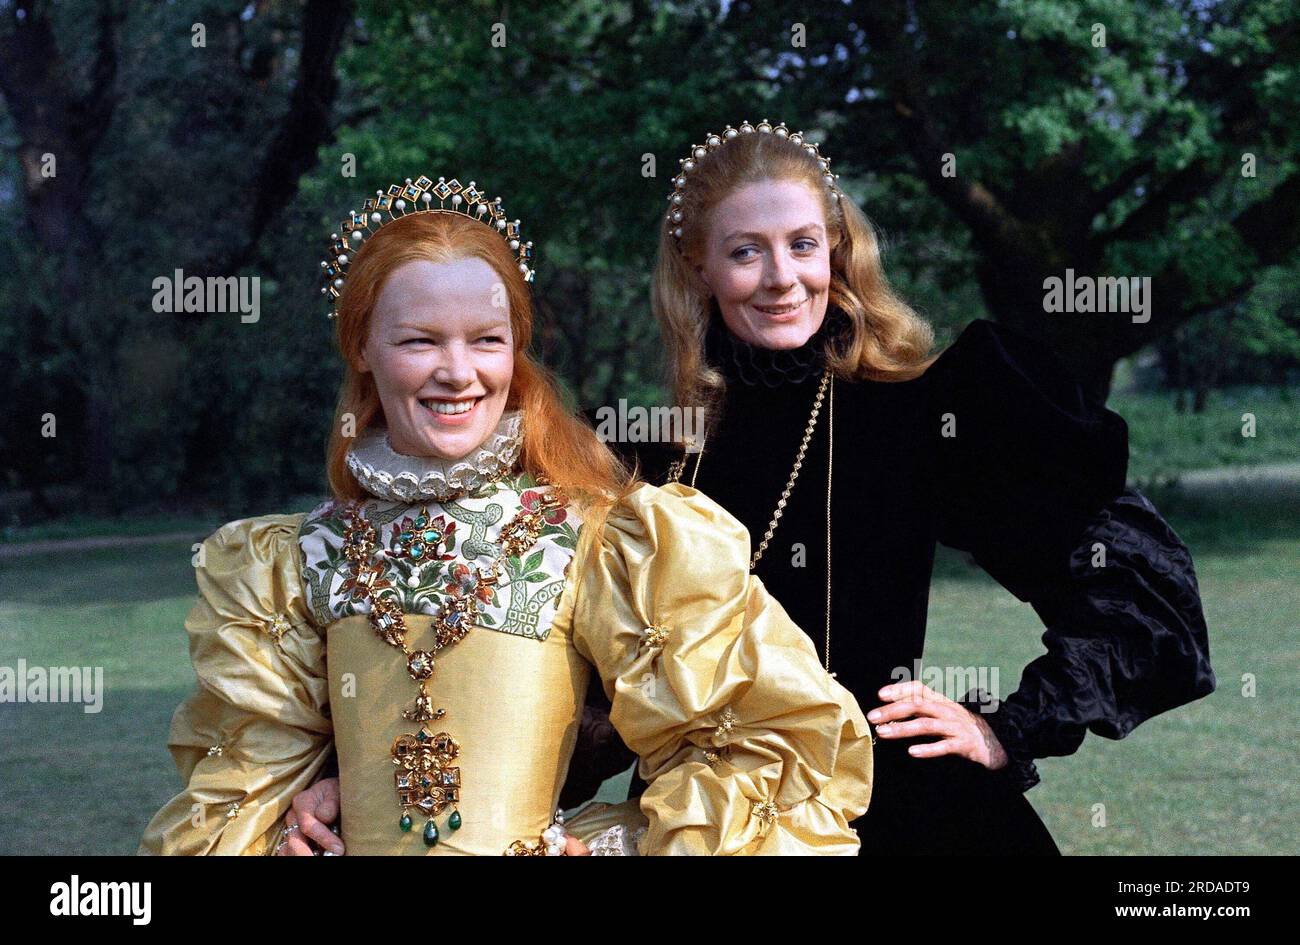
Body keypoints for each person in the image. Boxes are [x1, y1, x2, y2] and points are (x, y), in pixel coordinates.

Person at [137, 172, 874, 856]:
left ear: (515, 348)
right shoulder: (292, 561)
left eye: (486, 340)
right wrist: (296, 817)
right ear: (362, 345)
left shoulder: (600, 537)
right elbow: (238, 799)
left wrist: (619, 843)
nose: (458, 372)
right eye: (420, 340)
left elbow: (756, 742)